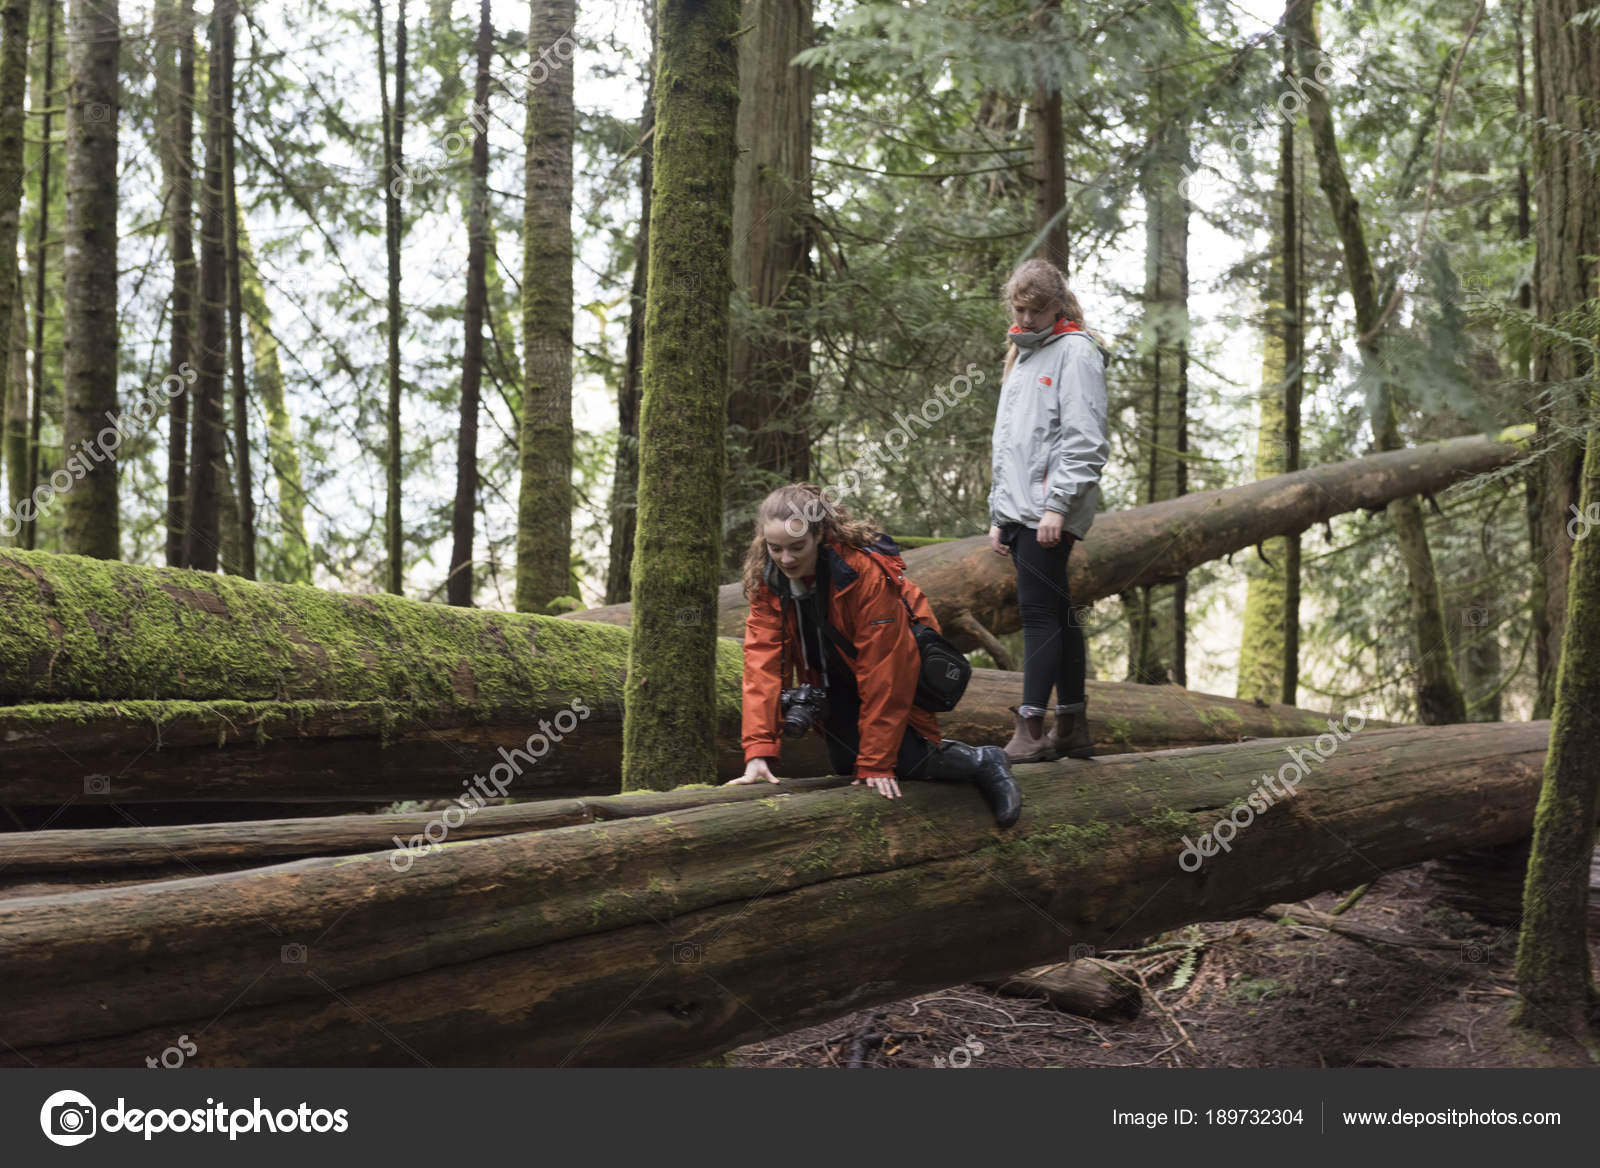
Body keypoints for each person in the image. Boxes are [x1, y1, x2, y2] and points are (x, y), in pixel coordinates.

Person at [728, 483, 1023, 829]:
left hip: (896, 667)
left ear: (820, 534)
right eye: (775, 548)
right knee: (847, 767)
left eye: (797, 547)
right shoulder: (768, 580)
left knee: (901, 762)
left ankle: (984, 760)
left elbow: (886, 668)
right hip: (830, 680)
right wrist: (759, 751)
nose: (786, 559)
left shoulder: (863, 573)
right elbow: (761, 665)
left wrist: (877, 760)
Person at [987, 258, 1110, 763]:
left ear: (1058, 305)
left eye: (1036, 310)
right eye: (1018, 308)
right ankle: (1073, 726)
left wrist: (1057, 505)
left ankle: (1031, 728)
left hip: (1049, 509)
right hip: (1021, 509)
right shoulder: (1022, 353)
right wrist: (1000, 512)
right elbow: (1010, 445)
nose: (1025, 318)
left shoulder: (1076, 352)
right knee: (1058, 612)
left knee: (1039, 614)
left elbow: (1085, 440)